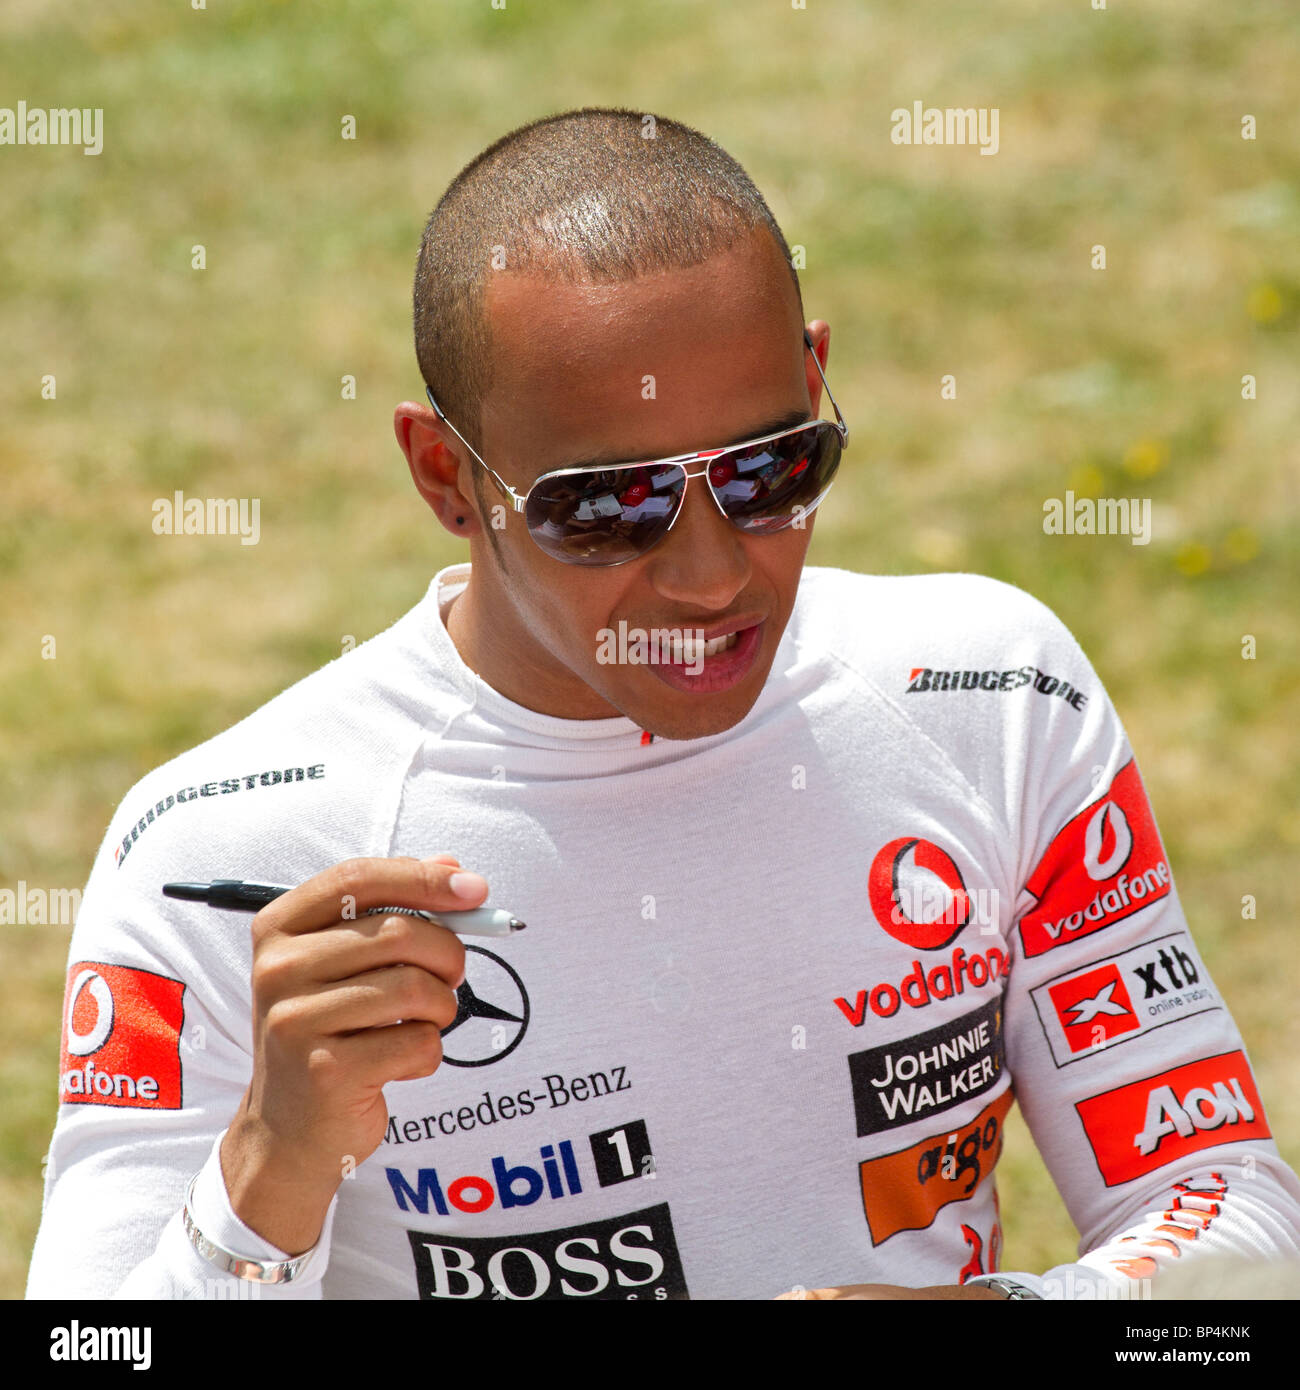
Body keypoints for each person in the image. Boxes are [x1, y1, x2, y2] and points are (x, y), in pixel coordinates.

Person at [26, 106, 1300, 1301]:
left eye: (771, 471)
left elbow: (1239, 1231)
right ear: (444, 477)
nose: (710, 572)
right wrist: (267, 1169)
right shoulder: (218, 847)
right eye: (608, 505)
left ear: (816, 382)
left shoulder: (990, 694)